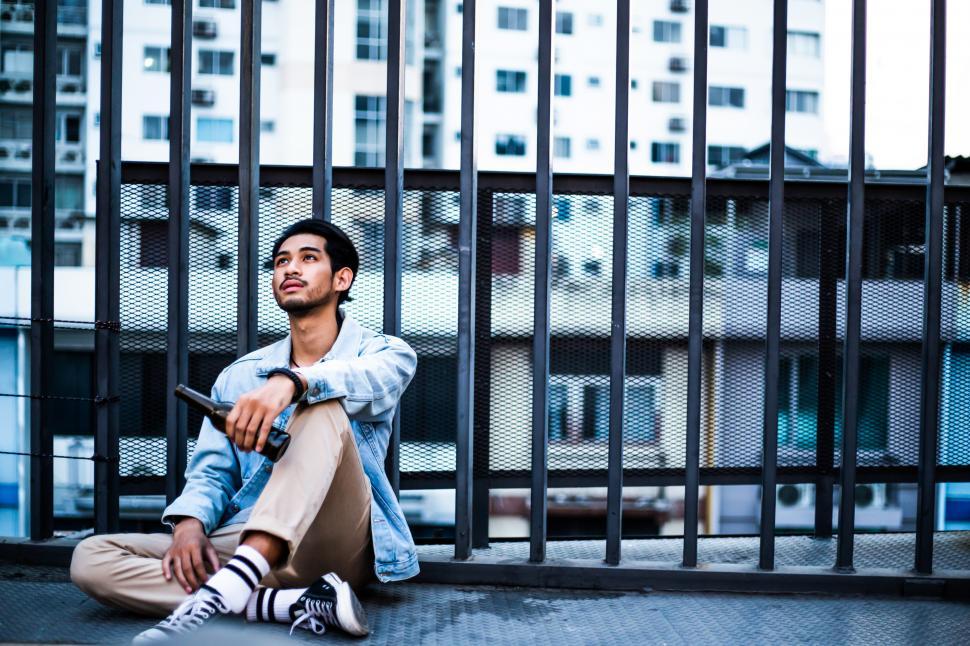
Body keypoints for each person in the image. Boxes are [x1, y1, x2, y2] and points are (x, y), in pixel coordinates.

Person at [69, 219, 419, 642]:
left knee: (321, 405)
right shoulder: (239, 377)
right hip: (250, 539)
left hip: (336, 539)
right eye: (281, 262)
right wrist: (190, 524)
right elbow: (213, 473)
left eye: (308, 259)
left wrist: (294, 382)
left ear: (342, 278)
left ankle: (225, 592)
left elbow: (374, 378)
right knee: (91, 558)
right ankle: (281, 602)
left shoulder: (383, 352)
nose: (290, 269)